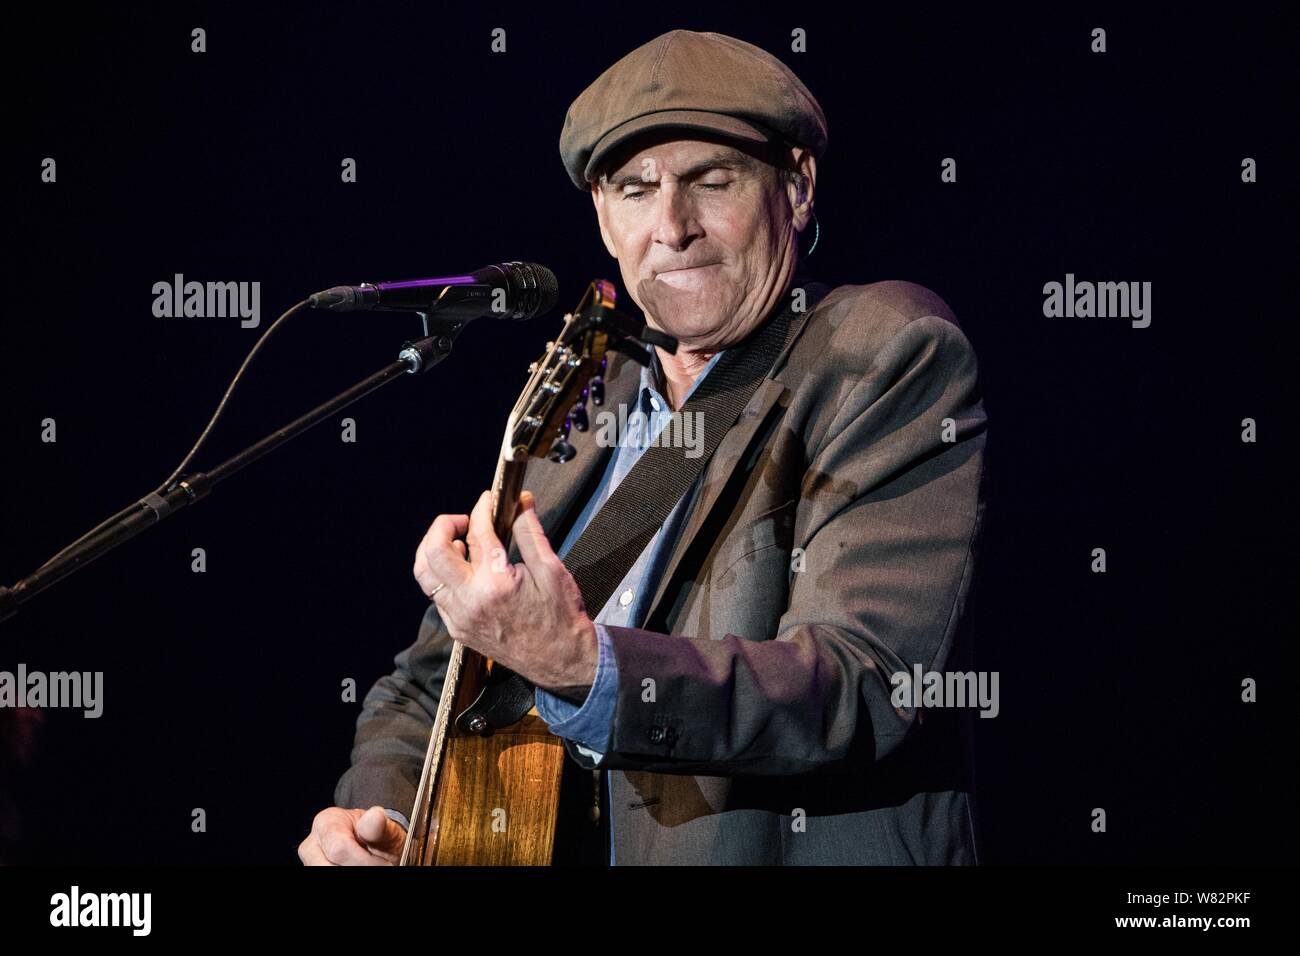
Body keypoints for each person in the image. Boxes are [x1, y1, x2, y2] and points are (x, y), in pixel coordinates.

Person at [300, 29, 988, 866]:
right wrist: (382, 818)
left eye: (713, 180)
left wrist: (583, 667)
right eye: (635, 189)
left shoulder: (874, 350)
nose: (672, 227)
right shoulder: (583, 408)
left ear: (797, 186)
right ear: (601, 214)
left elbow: (860, 683)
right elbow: (427, 687)